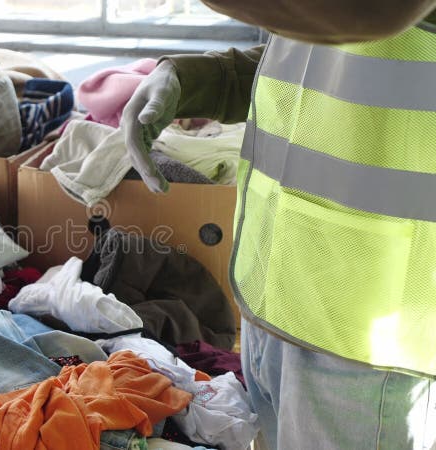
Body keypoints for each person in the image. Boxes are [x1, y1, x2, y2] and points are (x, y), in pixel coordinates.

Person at [122, 2, 436, 449]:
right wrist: (200, 79)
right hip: (275, 298)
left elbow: (368, 12)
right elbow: (315, 57)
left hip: (371, 336)